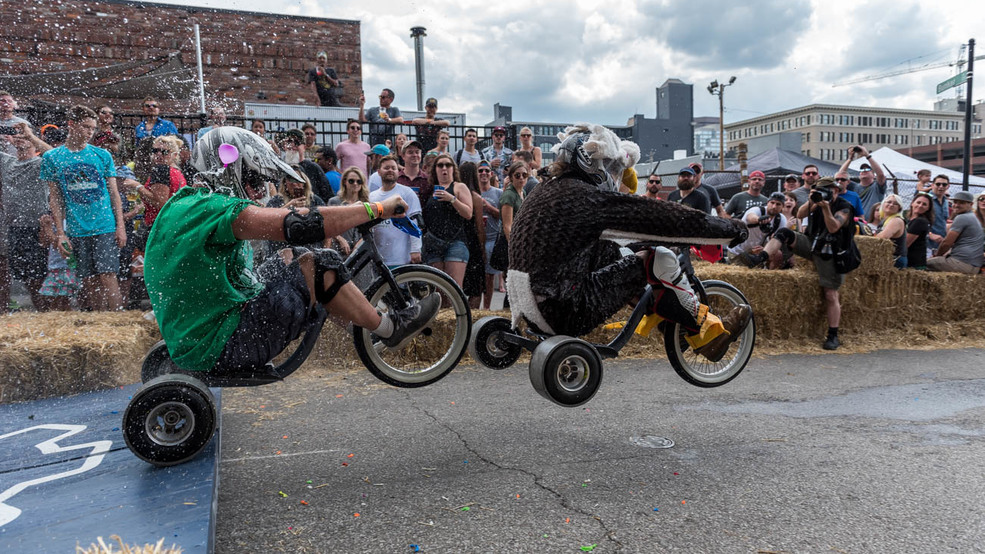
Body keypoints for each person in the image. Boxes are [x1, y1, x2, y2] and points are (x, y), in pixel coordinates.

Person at [143, 127, 440, 375]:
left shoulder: (185, 202)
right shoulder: (217, 208)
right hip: (221, 346)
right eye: (254, 179)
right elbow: (303, 225)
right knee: (322, 261)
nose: (259, 191)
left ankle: (360, 324)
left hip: (193, 336)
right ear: (229, 168)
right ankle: (391, 328)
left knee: (290, 255)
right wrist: (378, 208)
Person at [507, 124, 751, 363]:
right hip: (562, 311)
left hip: (527, 306)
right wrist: (732, 229)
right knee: (658, 257)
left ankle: (670, 325)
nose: (613, 174)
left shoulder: (545, 189)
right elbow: (665, 218)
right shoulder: (587, 197)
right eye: (610, 166)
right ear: (588, 162)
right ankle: (704, 333)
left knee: (616, 253)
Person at [752, 177, 855, 350]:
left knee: (830, 294)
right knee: (784, 232)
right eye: (819, 190)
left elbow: (833, 227)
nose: (823, 194)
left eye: (826, 190)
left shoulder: (844, 207)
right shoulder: (815, 201)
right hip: (813, 244)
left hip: (832, 251)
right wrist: (812, 200)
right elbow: (799, 214)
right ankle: (761, 257)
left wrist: (826, 208)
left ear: (835, 191)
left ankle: (833, 335)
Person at [41, 105, 126, 311]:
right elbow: (55, 198)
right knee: (89, 279)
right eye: (86, 127)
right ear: (71, 125)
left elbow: (114, 193)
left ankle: (118, 320)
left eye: (92, 128)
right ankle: (99, 319)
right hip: (77, 226)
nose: (90, 132)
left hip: (104, 223)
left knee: (108, 274)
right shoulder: (52, 157)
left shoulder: (102, 155)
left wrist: (120, 225)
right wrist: (60, 234)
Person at [1, 124, 52, 310]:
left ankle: (47, 314)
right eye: (17, 135)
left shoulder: (42, 163)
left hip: (38, 228)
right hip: (15, 228)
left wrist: (30, 135)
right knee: (24, 277)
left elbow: (57, 157)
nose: (20, 137)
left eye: (24, 136)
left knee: (39, 277)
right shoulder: (7, 162)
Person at [421, 153, 473, 287]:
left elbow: (468, 213)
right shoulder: (430, 189)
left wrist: (452, 199)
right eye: (440, 165)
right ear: (435, 169)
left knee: (453, 289)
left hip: (455, 242)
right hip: (433, 243)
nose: (444, 168)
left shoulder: (459, 187)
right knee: (438, 290)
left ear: (453, 169)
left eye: (448, 165)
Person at [368, 156, 422, 268]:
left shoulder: (407, 193)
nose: (390, 170)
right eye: (386, 167)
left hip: (401, 257)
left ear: (398, 171)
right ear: (378, 172)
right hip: (379, 257)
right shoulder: (372, 196)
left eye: (393, 168)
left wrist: (415, 249)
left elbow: (414, 221)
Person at [927, 190, 984, 275]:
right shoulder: (972, 217)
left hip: (962, 263)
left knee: (921, 264)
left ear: (971, 205)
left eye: (961, 203)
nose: (956, 205)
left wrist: (937, 256)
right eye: (955, 202)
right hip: (973, 265)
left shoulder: (962, 217)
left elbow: (946, 243)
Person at [730, 192, 788, 268]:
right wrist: (759, 219)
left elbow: (776, 240)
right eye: (772, 203)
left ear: (782, 207)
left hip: (756, 252)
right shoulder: (757, 210)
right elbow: (750, 217)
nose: (774, 206)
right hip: (738, 250)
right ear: (768, 203)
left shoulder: (781, 219)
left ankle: (771, 273)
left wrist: (765, 250)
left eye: (778, 204)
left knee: (778, 254)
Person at [458, 162, 486, 308]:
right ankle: (471, 317)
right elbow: (480, 227)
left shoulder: (456, 194)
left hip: (458, 239)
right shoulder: (475, 197)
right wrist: (482, 248)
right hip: (472, 243)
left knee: (458, 285)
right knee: (476, 288)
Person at [328, 166, 371, 255]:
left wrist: (359, 245)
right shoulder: (334, 202)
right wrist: (340, 239)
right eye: (351, 181)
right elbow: (328, 226)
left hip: (360, 251)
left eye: (359, 181)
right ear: (345, 182)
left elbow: (370, 229)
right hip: (339, 249)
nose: (355, 184)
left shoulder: (366, 204)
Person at [477, 160, 502, 309]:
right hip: (477, 240)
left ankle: (486, 308)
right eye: (480, 171)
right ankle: (475, 307)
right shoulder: (471, 192)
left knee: (489, 277)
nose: (484, 173)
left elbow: (504, 216)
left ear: (491, 174)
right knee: (477, 277)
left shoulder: (498, 193)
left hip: (492, 239)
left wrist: (488, 207)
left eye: (486, 171)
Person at [839, 145, 886, 222]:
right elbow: (840, 174)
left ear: (873, 175)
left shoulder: (876, 187)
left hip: (872, 223)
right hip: (855, 223)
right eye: (861, 170)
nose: (864, 171)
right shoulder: (853, 186)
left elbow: (880, 175)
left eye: (867, 169)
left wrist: (867, 155)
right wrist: (850, 158)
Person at [874, 194, 907, 269]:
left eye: (895, 204)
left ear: (899, 208)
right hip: (887, 258)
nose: (891, 205)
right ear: (883, 204)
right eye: (889, 202)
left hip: (895, 260)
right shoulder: (884, 220)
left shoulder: (896, 220)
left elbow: (882, 237)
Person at [905, 191, 934, 270]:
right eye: (918, 202)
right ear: (912, 203)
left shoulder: (920, 221)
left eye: (924, 204)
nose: (920, 205)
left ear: (928, 208)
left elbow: (905, 244)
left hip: (913, 265)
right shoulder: (909, 220)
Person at [0, 90, 30, 156]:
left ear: (14, 104)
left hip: (16, 160)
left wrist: (14, 141)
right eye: (3, 101)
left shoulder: (23, 123)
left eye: (10, 101)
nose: (7, 103)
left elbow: (31, 144)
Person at [927, 175, 950, 252]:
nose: (941, 186)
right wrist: (929, 234)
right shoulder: (926, 199)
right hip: (927, 245)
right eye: (938, 184)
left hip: (941, 244)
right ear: (932, 185)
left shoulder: (946, 201)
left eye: (944, 184)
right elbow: (915, 221)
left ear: (948, 186)